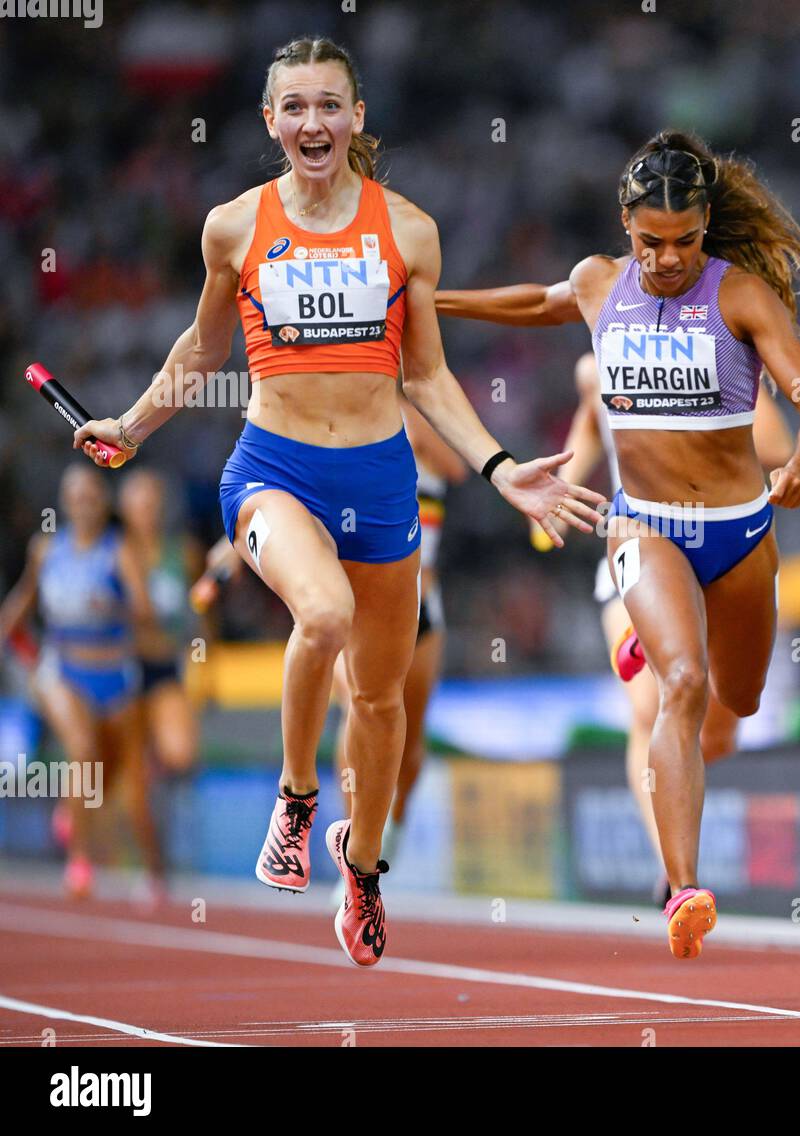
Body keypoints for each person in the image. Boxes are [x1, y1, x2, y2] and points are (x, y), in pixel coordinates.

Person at [71, 36, 603, 967]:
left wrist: (499, 468)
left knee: (384, 701)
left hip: (382, 478)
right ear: (271, 122)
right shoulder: (234, 227)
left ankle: (359, 872)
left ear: (358, 118)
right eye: (295, 107)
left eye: (330, 105)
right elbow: (201, 352)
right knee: (322, 614)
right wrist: (132, 424)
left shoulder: (409, 230)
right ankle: (297, 796)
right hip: (276, 468)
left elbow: (429, 378)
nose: (313, 123)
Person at [436, 130, 800, 957]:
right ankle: (684, 887)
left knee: (739, 704)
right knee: (680, 683)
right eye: (651, 242)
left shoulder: (741, 295)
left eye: (685, 242)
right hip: (644, 525)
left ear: (706, 226)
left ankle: (656, 643)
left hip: (739, 532)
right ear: (626, 225)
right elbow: (530, 303)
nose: (667, 259)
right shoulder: (598, 284)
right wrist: (429, 302)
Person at [538, 351, 793, 905]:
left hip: (723, 538)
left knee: (720, 729)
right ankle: (673, 868)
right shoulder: (595, 367)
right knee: (649, 709)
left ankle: (663, 646)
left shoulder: (722, 354)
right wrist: (561, 488)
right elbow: (588, 419)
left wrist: (699, 425)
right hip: (640, 532)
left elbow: (777, 449)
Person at [0, 465, 163, 902]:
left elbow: (146, 612)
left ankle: (136, 859)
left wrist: (112, 604)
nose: (83, 503)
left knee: (122, 775)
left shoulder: (119, 551)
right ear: (65, 502)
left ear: (103, 502)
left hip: (113, 671)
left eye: (91, 495)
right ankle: (79, 862)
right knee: (83, 752)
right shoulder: (47, 548)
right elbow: (24, 597)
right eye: (74, 496)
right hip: (62, 668)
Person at [332, 396, 467, 870]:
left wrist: (407, 409)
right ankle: (355, 851)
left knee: (407, 744)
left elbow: (457, 468)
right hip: (353, 601)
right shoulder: (337, 419)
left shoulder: (421, 415)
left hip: (420, 606)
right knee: (357, 712)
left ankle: (397, 823)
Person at [119, 469, 202, 776]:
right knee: (125, 764)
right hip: (117, 669)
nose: (147, 513)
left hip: (165, 664)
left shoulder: (184, 553)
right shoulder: (114, 552)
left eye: (153, 505)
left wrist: (207, 661)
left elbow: (204, 611)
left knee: (181, 754)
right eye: (140, 505)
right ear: (125, 508)